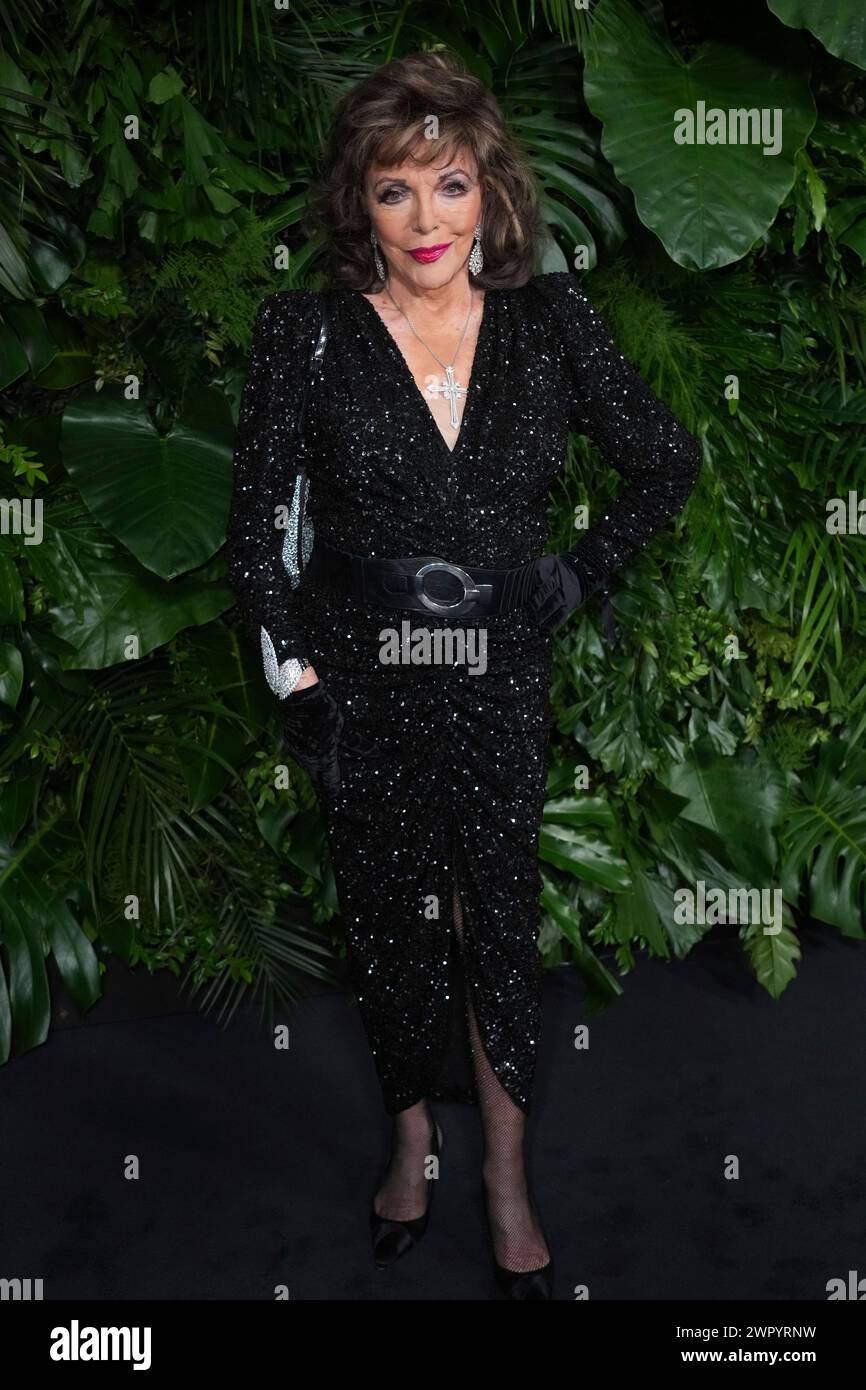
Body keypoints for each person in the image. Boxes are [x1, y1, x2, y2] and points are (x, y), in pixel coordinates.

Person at [226, 49, 701, 1300]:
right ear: (357, 205)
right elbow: (254, 529)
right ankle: (406, 1144)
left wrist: (571, 579)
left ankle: (501, 1173)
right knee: (387, 933)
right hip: (361, 690)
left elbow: (664, 458)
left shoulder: (550, 322)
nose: (425, 221)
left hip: (496, 680)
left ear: (488, 189)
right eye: (394, 191)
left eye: (447, 184)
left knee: (496, 931)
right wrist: (301, 685)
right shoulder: (308, 332)